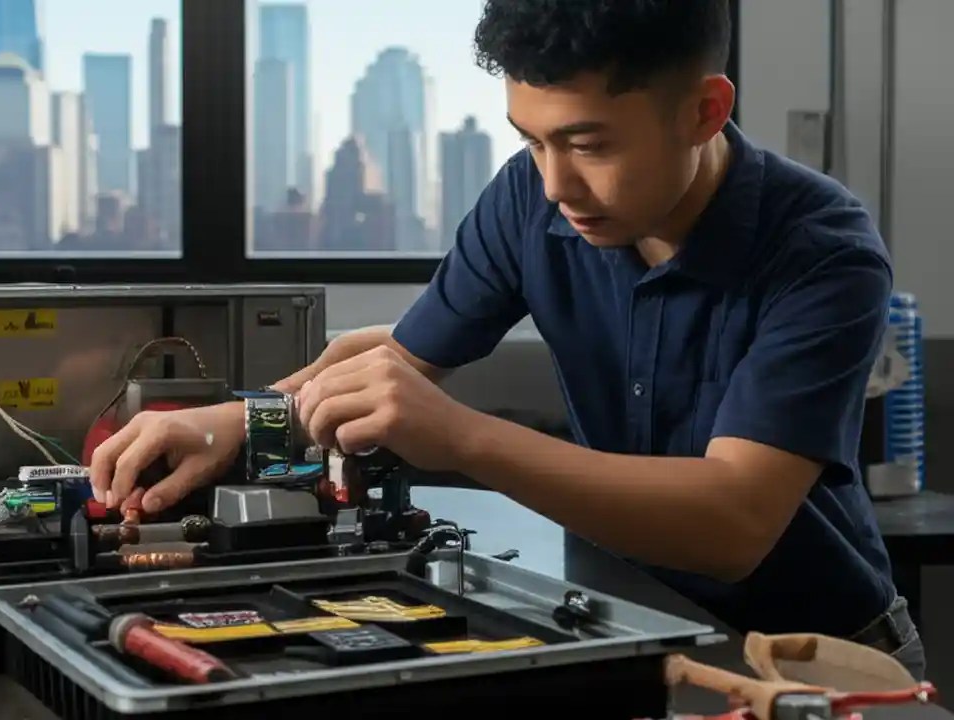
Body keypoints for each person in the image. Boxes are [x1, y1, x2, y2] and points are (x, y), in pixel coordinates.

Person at [90, 0, 925, 680]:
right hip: (640, 628)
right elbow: (399, 360)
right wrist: (233, 424)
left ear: (704, 112)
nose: (555, 182)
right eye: (531, 138)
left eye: (588, 143)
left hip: (816, 655)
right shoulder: (530, 195)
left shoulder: (822, 252)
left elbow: (732, 525)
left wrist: (461, 438)